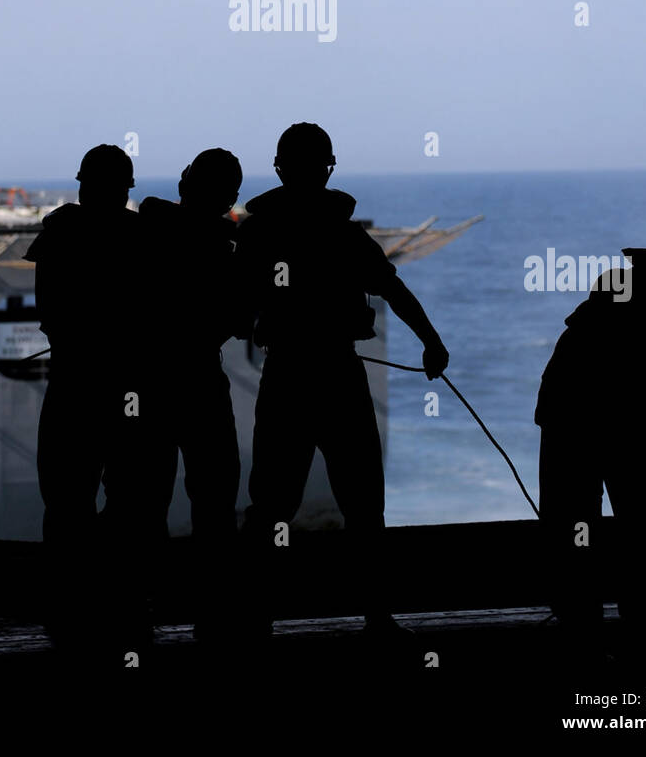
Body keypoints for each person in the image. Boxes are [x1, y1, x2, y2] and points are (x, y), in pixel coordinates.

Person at [235, 122, 449, 633]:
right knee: (362, 503)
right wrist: (432, 342)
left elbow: (236, 303)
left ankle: (253, 616)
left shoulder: (259, 232)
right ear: (327, 168)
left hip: (286, 375)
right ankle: (376, 616)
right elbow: (392, 289)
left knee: (270, 506)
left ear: (280, 168)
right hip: (338, 374)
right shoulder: (343, 233)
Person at [535, 247, 646, 651]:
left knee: (575, 520)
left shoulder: (614, 298)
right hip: (617, 419)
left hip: (573, 416)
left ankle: (583, 619)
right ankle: (645, 614)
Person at [24, 144, 146, 643]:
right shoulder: (140, 237)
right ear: (124, 190)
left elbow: (49, 314)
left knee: (64, 500)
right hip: (128, 388)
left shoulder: (59, 235)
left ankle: (67, 608)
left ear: (83, 184)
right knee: (128, 503)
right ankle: (124, 605)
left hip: (73, 382)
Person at [134, 148, 244, 637]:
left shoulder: (150, 230)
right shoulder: (224, 247)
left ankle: (140, 600)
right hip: (200, 380)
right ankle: (215, 600)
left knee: (145, 496)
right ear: (230, 198)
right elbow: (240, 321)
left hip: (149, 382)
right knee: (215, 496)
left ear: (185, 182)